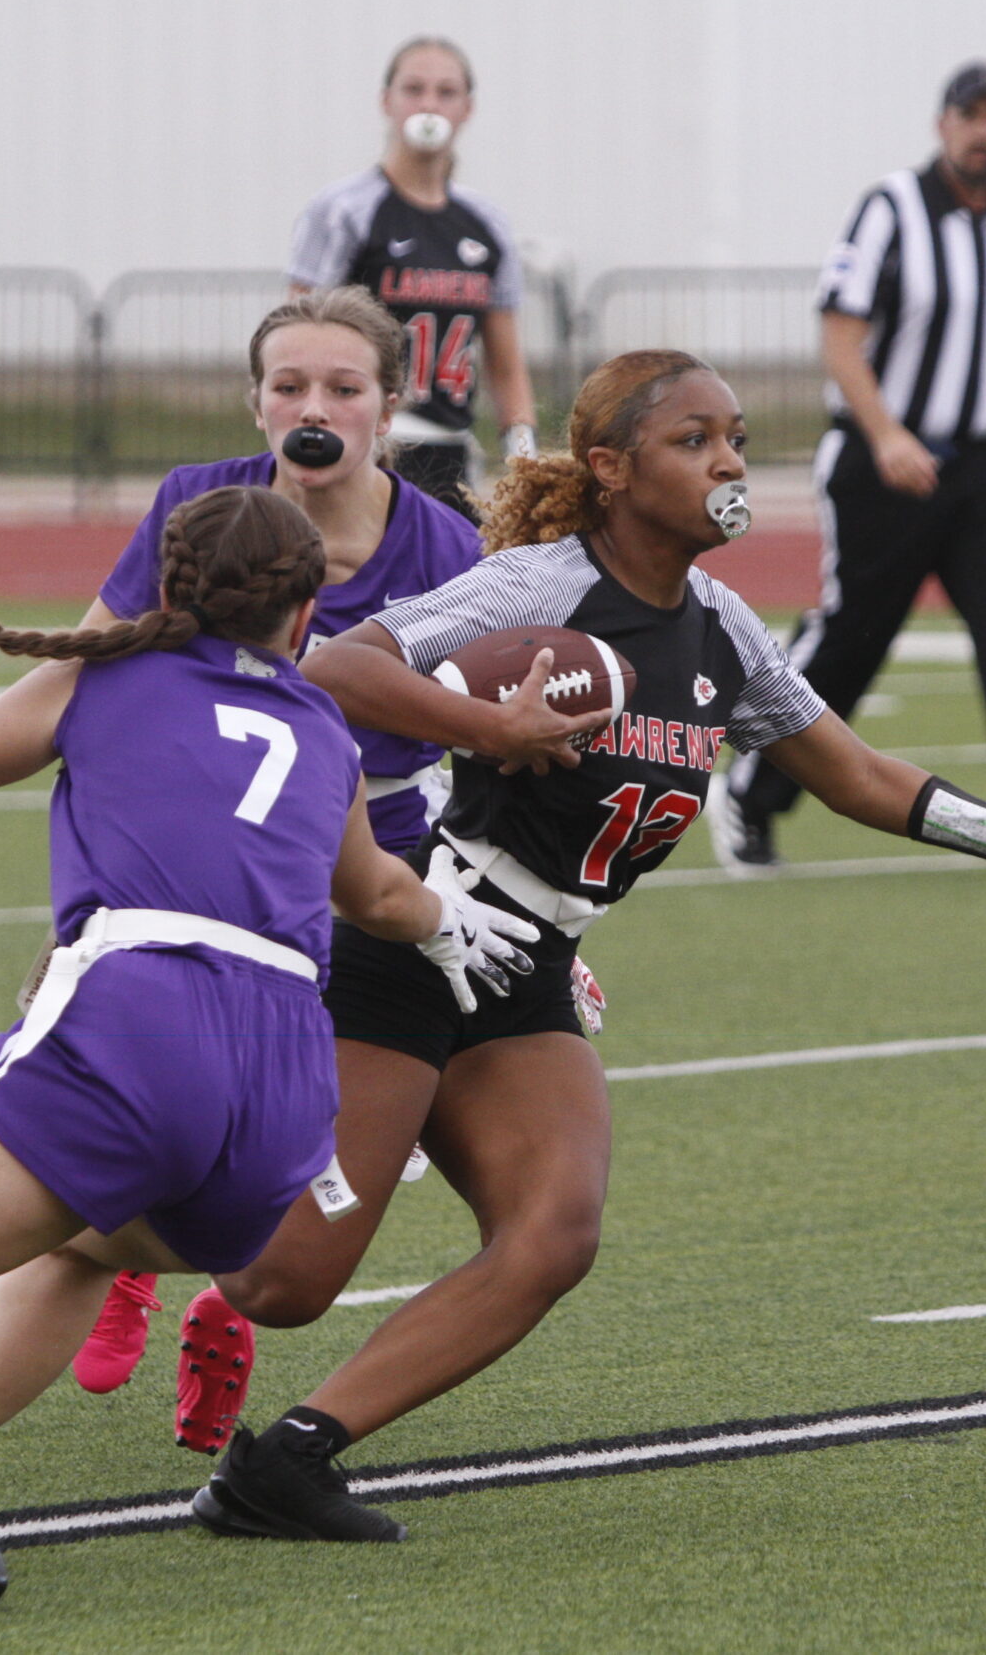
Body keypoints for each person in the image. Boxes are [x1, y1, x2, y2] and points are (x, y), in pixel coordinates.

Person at [169, 349, 986, 1542]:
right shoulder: (534, 586)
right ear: (609, 469)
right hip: (419, 939)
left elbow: (856, 774)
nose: (726, 463)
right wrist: (484, 722)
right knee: (280, 1286)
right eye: (693, 441)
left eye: (736, 439)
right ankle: (104, 1217)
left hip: (532, 969)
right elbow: (340, 665)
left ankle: (286, 1464)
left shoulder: (720, 626)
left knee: (553, 1236)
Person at [0, 486, 537, 1612]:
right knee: (77, 1241)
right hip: (282, 1095)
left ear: (166, 586)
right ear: (307, 608)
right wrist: (452, 921)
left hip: (141, 1030)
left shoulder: (103, 673)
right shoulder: (321, 724)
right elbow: (377, 893)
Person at [55, 287, 604, 1435]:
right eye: (290, 386)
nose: (315, 407)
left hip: (383, 868)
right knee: (163, 1070)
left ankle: (226, 1302)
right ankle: (128, 1260)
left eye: (343, 388)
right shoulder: (195, 504)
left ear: (389, 408)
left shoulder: (449, 543)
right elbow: (104, 658)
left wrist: (531, 926)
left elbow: (495, 750)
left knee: (323, 1132)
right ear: (255, 402)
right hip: (211, 856)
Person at [711, 60, 986, 877]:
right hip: (887, 460)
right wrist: (887, 436)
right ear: (942, 123)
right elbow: (840, 338)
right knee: (851, 641)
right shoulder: (893, 210)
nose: (983, 131)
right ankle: (751, 797)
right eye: (969, 114)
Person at [287, 35, 539, 517]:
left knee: (460, 587)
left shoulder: (486, 224)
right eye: (414, 89)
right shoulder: (343, 211)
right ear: (388, 101)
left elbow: (506, 365)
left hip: (450, 451)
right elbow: (295, 337)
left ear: (467, 107)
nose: (429, 104)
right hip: (365, 446)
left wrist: (523, 455)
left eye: (446, 92)